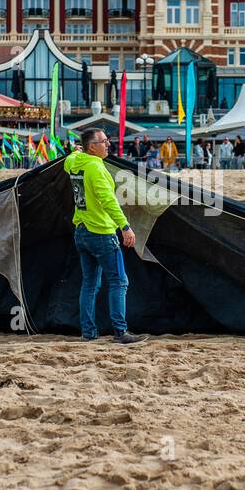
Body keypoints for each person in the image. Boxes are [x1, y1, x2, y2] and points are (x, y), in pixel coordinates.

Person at [64, 129, 144, 345]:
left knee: (90, 284)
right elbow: (109, 201)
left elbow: (68, 159)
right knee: (119, 281)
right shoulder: (96, 168)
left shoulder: (74, 162)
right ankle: (120, 331)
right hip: (101, 232)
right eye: (104, 141)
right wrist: (125, 226)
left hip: (81, 231)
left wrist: (75, 152)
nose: (108, 144)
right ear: (92, 147)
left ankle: (88, 332)